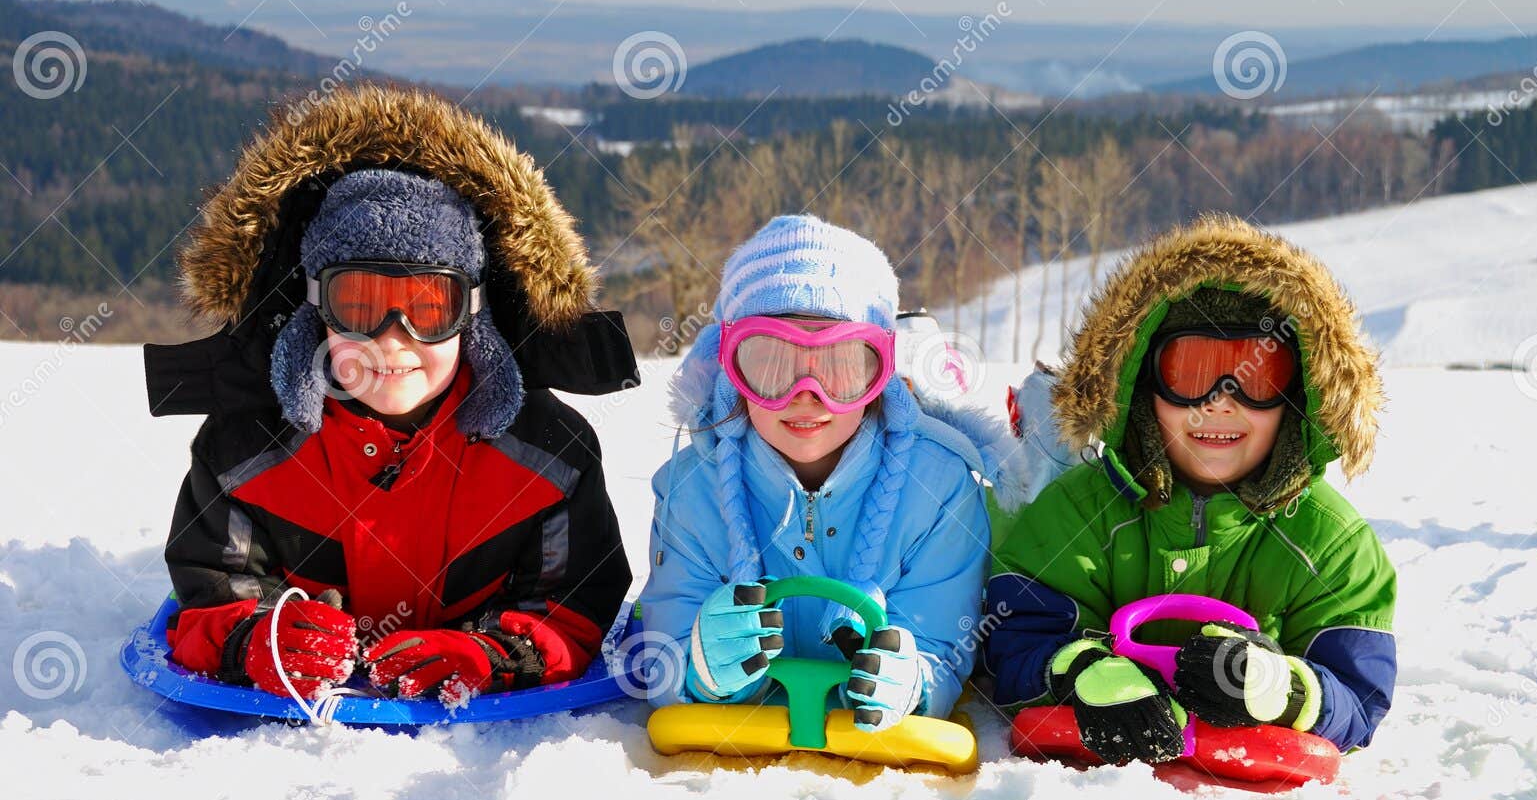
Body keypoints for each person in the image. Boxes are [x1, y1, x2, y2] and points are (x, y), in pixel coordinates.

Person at [157, 85, 631, 707]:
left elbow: (575, 604)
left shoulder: (550, 454)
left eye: (428, 307)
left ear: (472, 317)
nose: (391, 340)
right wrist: (254, 640)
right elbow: (210, 593)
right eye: (359, 304)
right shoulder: (244, 448)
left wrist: (499, 656)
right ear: (315, 313)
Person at [984, 214, 1397, 762]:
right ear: (1141, 386)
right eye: (1190, 371)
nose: (1219, 403)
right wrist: (1082, 671)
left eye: (1257, 378)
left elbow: (1359, 690)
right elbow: (1014, 639)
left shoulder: (1330, 543)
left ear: (1297, 396)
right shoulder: (1078, 512)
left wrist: (1284, 690)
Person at [641, 215, 1008, 729]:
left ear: (879, 375)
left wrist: (914, 682)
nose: (807, 395)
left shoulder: (939, 489)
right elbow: (664, 649)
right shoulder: (691, 490)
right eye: (771, 363)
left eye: (840, 366)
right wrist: (696, 668)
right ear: (731, 371)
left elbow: (945, 642)